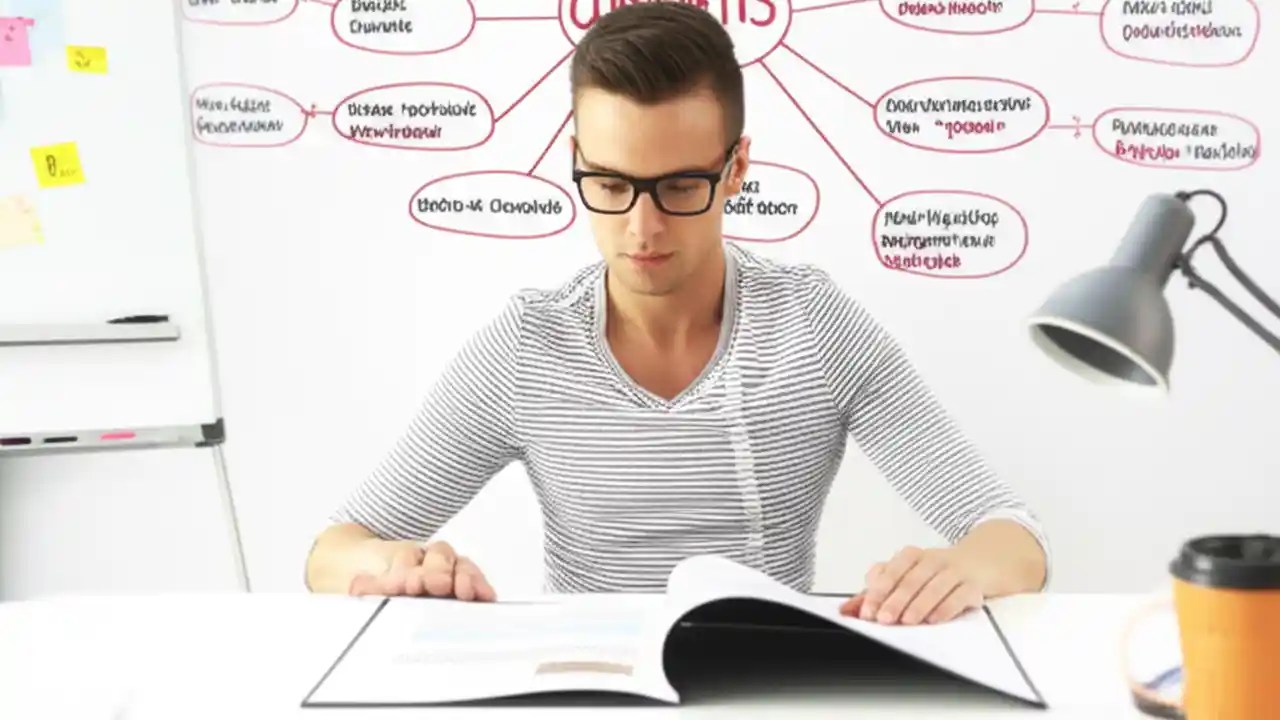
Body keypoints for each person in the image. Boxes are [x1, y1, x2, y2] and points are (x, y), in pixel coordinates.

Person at [304, 2, 1050, 626]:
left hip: (764, 682)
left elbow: (1014, 539)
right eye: (610, 183)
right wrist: (388, 563)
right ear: (576, 158)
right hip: (588, 684)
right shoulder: (527, 347)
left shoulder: (814, 327)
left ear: (738, 169)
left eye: (680, 187)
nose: (642, 228)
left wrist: (958, 568)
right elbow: (331, 551)